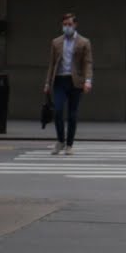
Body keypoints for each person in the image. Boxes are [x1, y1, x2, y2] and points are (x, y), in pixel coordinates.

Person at [44, 12, 93, 156]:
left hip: (75, 82)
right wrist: (47, 83)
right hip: (59, 80)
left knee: (72, 114)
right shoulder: (56, 42)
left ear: (75, 25)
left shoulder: (84, 42)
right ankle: (60, 140)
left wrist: (88, 81)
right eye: (65, 25)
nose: (67, 27)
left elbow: (88, 63)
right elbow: (51, 64)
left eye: (69, 24)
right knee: (58, 111)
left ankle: (69, 144)